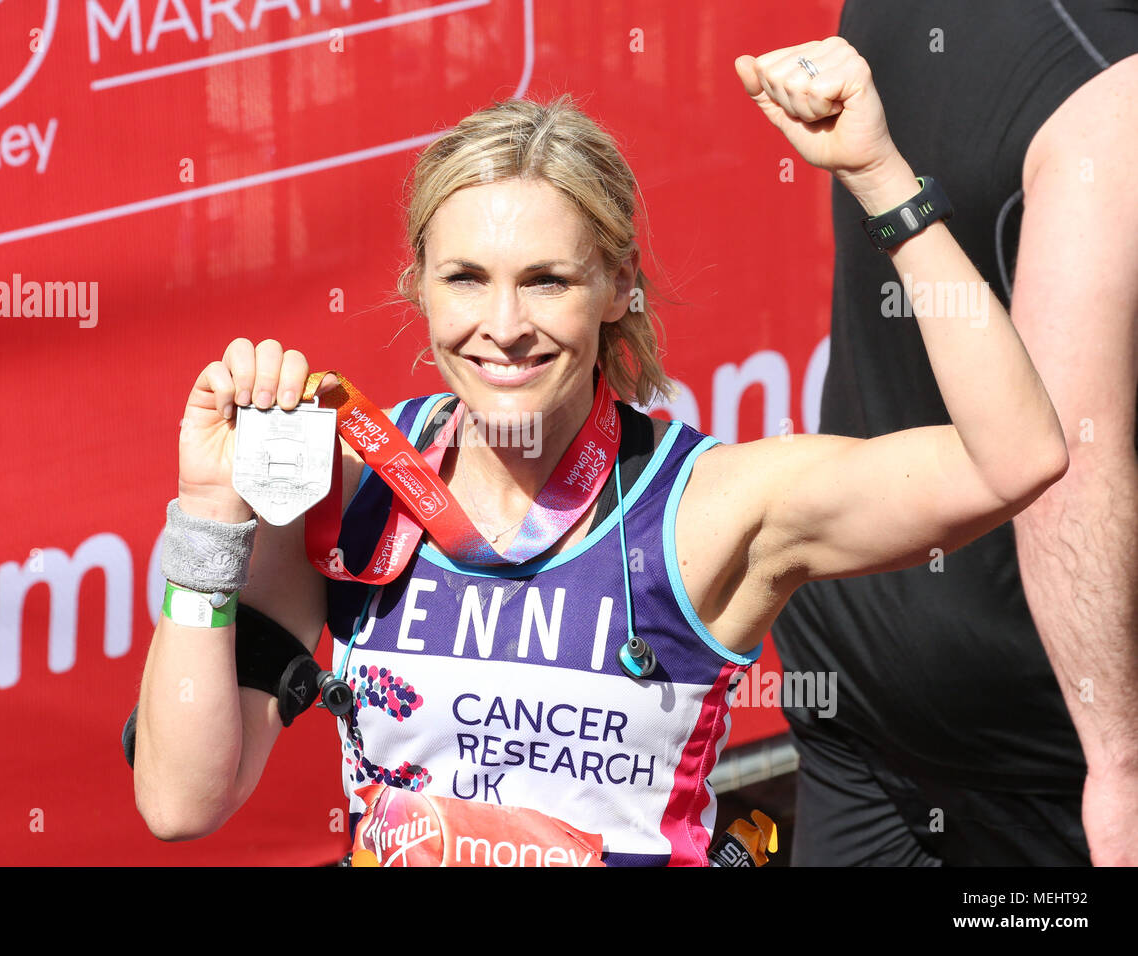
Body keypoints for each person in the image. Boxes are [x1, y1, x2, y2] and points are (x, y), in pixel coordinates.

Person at [129, 37, 1073, 865]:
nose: (503, 326)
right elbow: (180, 804)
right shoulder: (355, 490)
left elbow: (1014, 458)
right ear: (417, 284)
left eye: (547, 281)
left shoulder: (710, 508)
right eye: (466, 278)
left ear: (618, 285)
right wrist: (211, 513)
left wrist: (878, 178)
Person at [772, 1, 1138, 867]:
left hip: (855, 639)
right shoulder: (1111, 95)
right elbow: (1073, 460)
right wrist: (1119, 764)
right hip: (1034, 723)